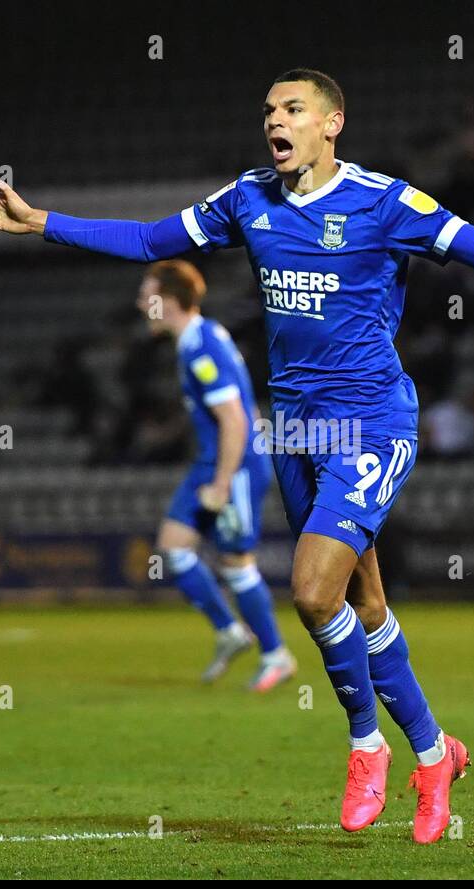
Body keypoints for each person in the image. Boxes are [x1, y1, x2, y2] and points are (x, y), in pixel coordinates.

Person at [0, 68, 474, 843]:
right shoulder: (247, 199)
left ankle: (366, 744)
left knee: (310, 591)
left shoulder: (385, 202)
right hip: (298, 432)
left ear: (332, 123)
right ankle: (436, 755)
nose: (275, 118)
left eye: (292, 107)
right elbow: (145, 240)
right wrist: (40, 221)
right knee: (361, 606)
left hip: (372, 424)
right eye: (268, 107)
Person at [137, 260, 294, 691]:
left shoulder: (203, 344)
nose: (139, 303)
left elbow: (235, 421)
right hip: (214, 461)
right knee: (173, 546)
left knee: (237, 564)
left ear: (168, 301)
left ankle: (276, 655)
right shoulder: (194, 342)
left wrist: (223, 483)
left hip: (235, 466)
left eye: (146, 295)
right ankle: (229, 631)